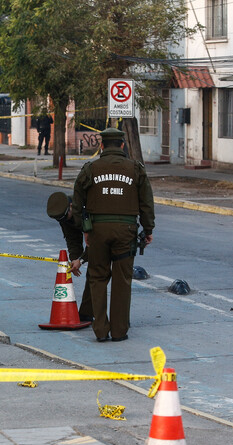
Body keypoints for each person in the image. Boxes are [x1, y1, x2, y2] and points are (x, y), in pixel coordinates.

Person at [71, 127, 154, 342]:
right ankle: (119, 331)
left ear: (101, 146)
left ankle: (100, 330)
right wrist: (148, 229)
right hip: (126, 231)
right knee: (122, 280)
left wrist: (84, 229)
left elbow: (77, 200)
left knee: (98, 278)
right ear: (123, 146)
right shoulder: (136, 169)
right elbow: (146, 202)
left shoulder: (90, 168)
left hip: (97, 230)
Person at [46, 191, 92, 322]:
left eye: (66, 217)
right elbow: (72, 239)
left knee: (98, 273)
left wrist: (81, 260)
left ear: (71, 206)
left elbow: (95, 241)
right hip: (94, 238)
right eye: (61, 220)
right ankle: (87, 313)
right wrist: (74, 258)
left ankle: (115, 319)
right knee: (94, 274)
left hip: (110, 233)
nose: (65, 220)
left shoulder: (87, 207)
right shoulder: (63, 215)